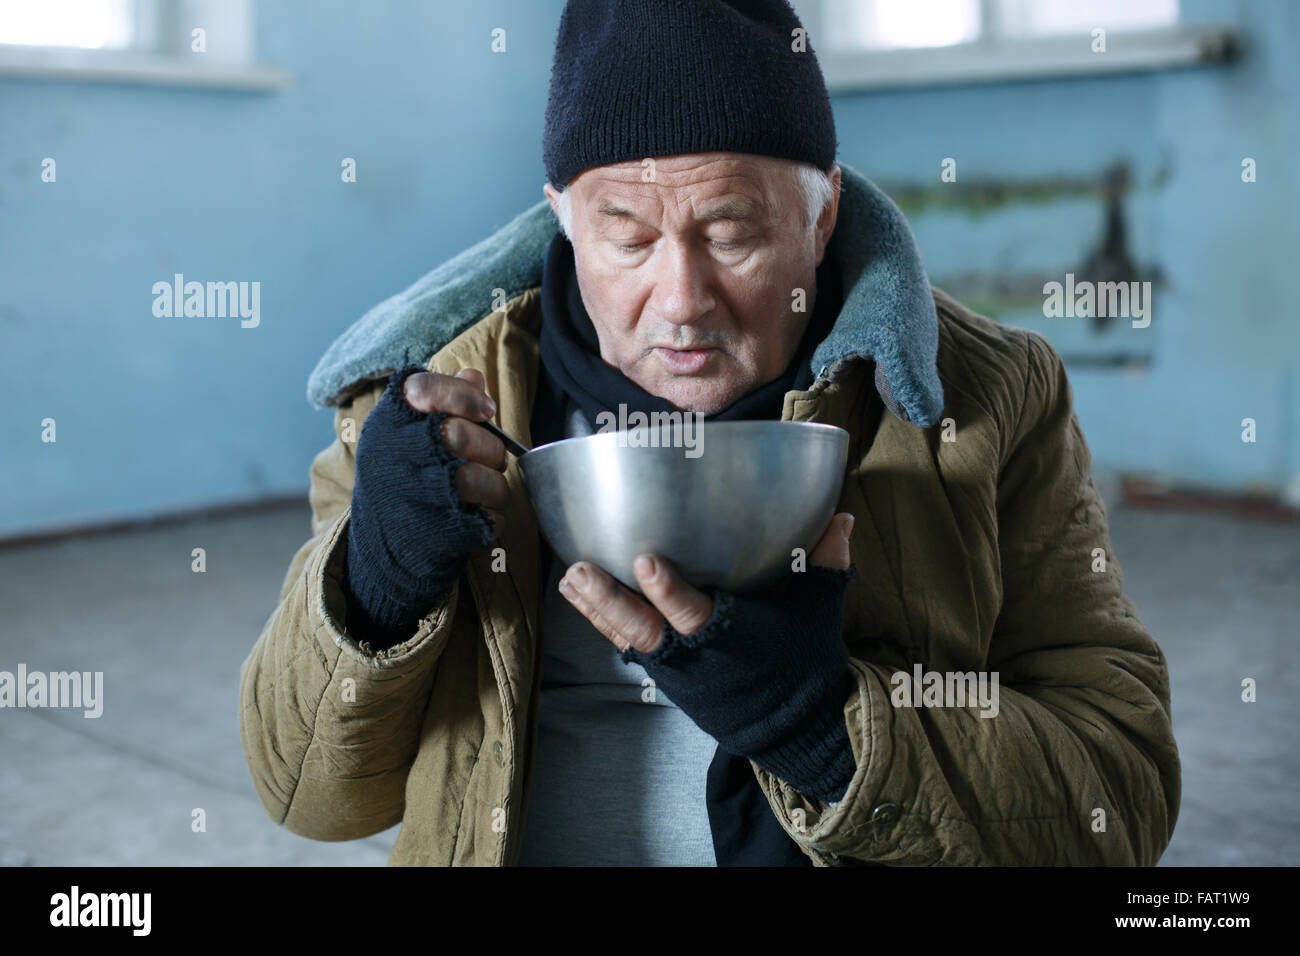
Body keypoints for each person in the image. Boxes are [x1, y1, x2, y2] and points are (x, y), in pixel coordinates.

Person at [239, 0, 1180, 866]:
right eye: (630, 238)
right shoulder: (426, 412)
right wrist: (375, 581)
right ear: (564, 218)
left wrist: (821, 727)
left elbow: (1119, 799)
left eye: (731, 233)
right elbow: (308, 797)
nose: (683, 303)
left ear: (823, 218)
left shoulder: (984, 401)